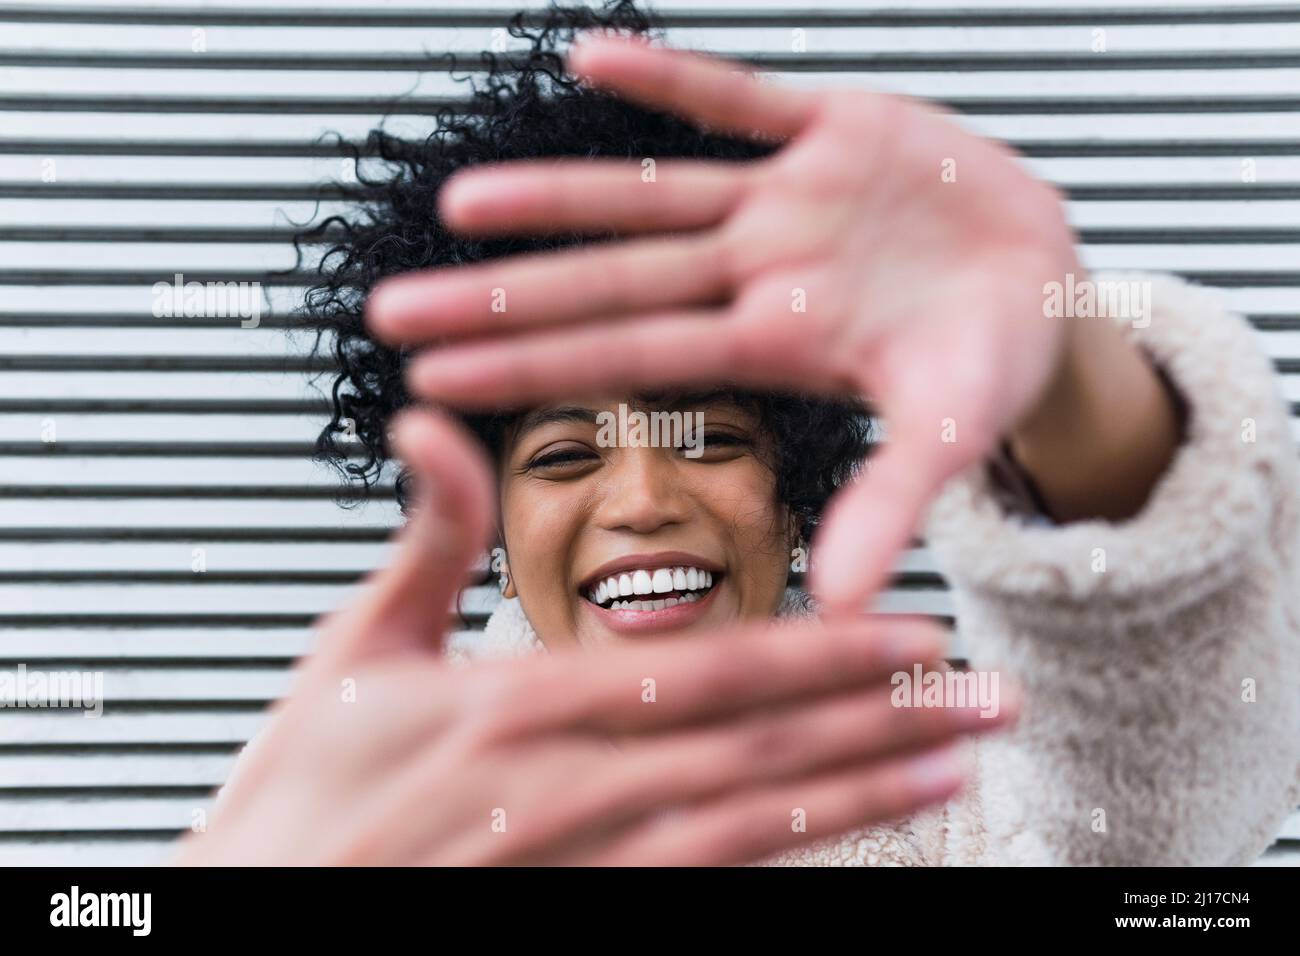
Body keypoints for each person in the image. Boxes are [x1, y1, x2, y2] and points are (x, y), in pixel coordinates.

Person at [174, 2, 1298, 866]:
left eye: (708, 437)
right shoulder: (375, 780)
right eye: (564, 455)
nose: (641, 498)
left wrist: (1065, 365)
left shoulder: (951, 765)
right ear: (486, 513)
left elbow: (1163, 814)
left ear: (797, 477)